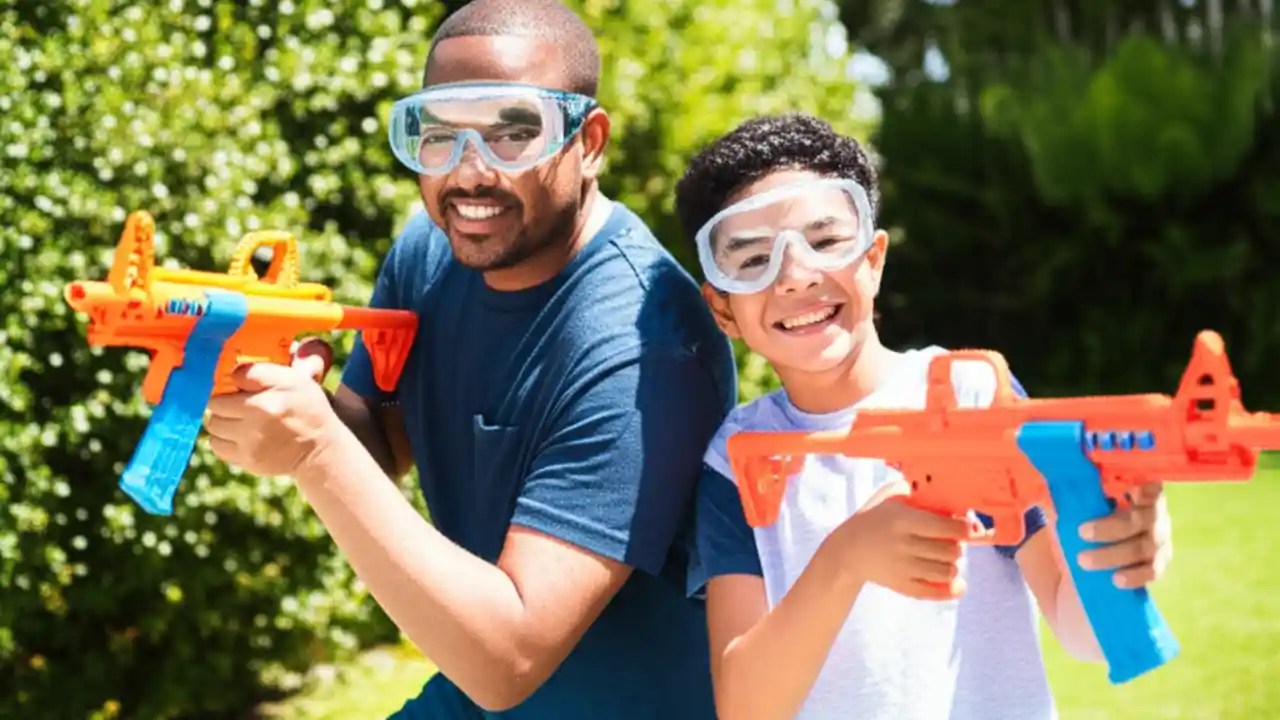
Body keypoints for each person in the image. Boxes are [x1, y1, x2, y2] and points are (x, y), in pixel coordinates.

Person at [202, 1, 737, 717]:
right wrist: (271, 388)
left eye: (514, 133)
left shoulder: (648, 347)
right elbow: (381, 440)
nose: (469, 174)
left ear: (592, 140)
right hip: (476, 688)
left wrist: (313, 450)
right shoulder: (428, 252)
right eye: (439, 137)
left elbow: (509, 658)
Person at [674, 113, 1176, 720]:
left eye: (825, 240)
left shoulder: (971, 393)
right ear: (721, 310)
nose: (795, 275)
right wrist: (846, 559)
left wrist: (1120, 550)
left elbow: (1081, 630)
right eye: (751, 258)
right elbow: (747, 706)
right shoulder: (737, 458)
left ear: (874, 260)